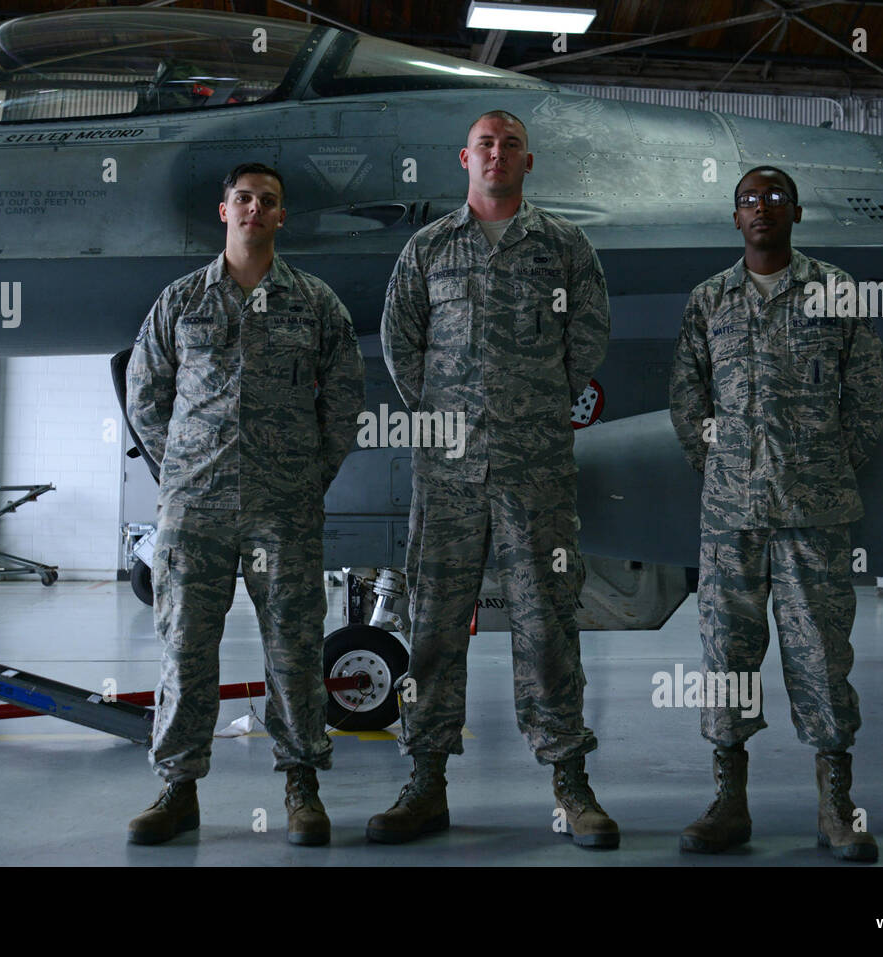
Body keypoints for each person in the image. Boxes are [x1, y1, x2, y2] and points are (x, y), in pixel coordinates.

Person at [373, 110, 615, 848]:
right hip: (447, 469)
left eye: (510, 145)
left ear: (527, 162)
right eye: (486, 144)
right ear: (464, 158)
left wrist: (532, 406)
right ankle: (425, 781)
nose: (497, 154)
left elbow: (590, 335)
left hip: (534, 467)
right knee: (434, 624)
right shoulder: (428, 249)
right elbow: (400, 338)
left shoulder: (564, 247)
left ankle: (570, 782)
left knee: (548, 620)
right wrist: (446, 413)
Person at [126, 162, 365, 846]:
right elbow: (146, 398)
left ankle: (302, 785)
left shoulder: (314, 303)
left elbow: (344, 399)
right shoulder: (181, 301)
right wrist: (180, 470)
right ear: (223, 210)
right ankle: (177, 788)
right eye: (243, 198)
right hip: (192, 509)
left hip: (283, 509)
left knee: (292, 648)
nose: (254, 207)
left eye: (268, 200)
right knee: (184, 648)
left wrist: (308, 475)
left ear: (280, 217)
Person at [669, 166, 883, 862]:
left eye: (772, 198)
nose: (760, 209)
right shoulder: (709, 301)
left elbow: (869, 394)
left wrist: (824, 464)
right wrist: (723, 466)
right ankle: (729, 802)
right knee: (726, 657)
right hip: (731, 518)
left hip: (812, 514)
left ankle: (835, 805)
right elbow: (687, 397)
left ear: (795, 211)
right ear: (734, 218)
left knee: (821, 658)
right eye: (747, 201)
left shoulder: (835, 292)